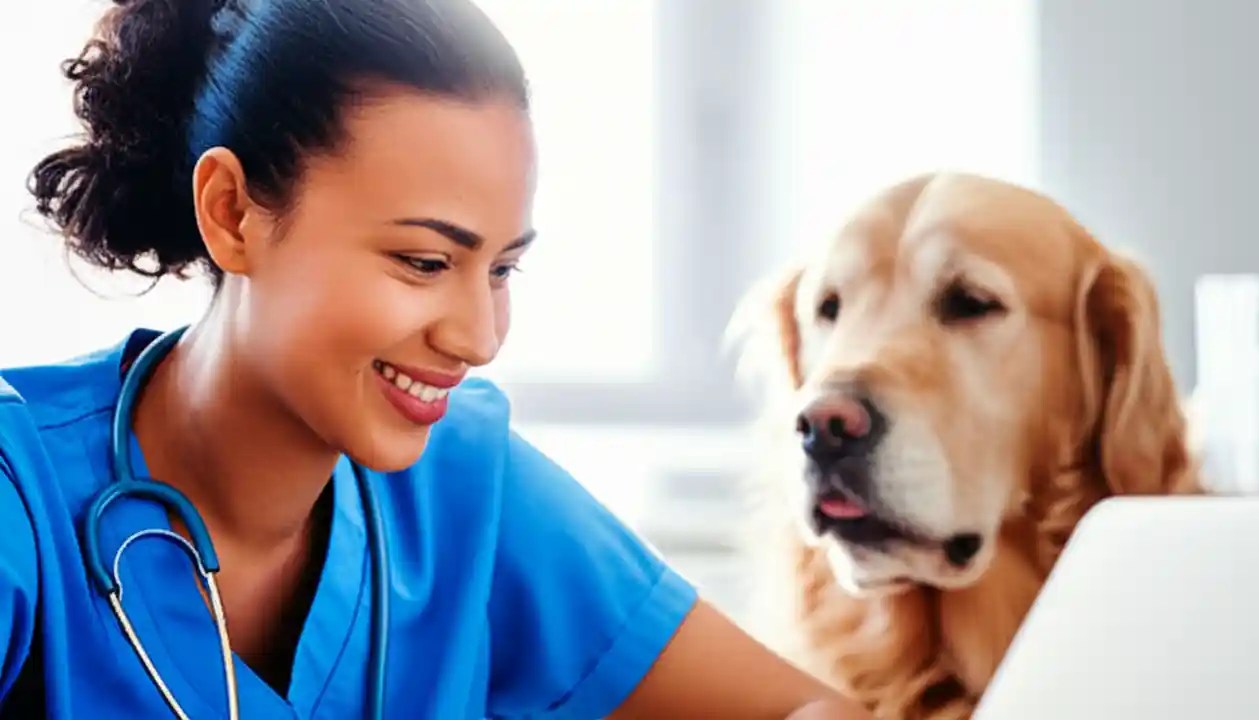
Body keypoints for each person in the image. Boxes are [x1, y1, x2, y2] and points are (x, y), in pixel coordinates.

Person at [0, 0, 870, 717]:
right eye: (424, 263)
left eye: (500, 268)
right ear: (232, 212)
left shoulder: (461, 490)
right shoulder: (22, 500)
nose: (478, 337)